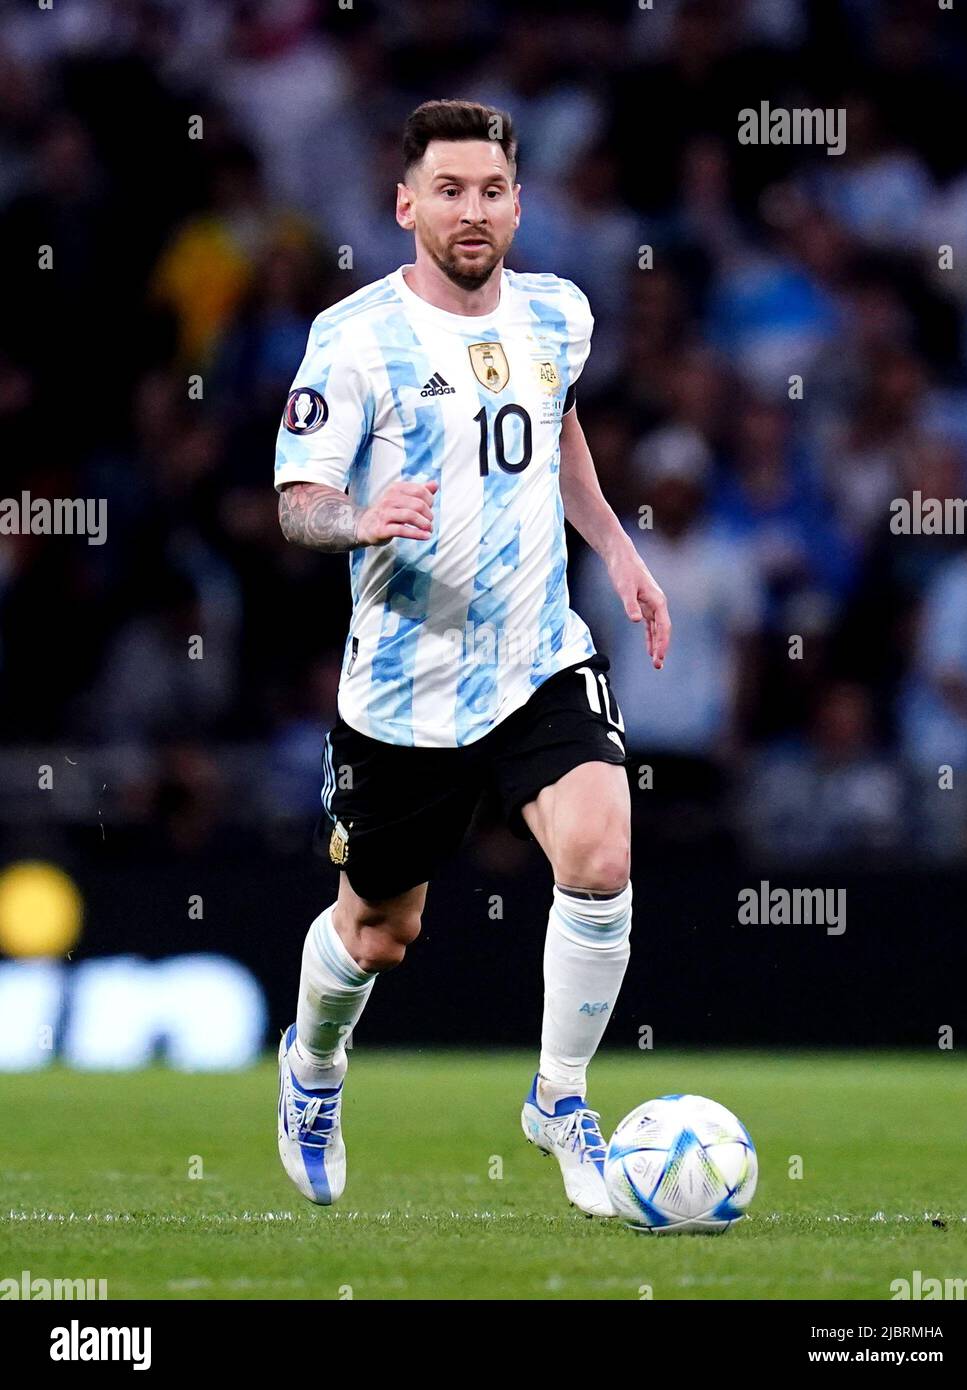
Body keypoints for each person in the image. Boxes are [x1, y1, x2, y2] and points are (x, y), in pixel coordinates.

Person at [272, 99, 670, 1218]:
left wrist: (618, 549)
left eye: (491, 190)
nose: (472, 210)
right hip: (404, 688)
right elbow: (298, 501)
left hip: (538, 655)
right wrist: (360, 519)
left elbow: (555, 423)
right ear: (407, 206)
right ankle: (312, 1068)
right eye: (448, 191)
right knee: (379, 933)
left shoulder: (559, 314)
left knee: (599, 853)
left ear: (517, 202)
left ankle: (559, 1096)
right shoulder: (352, 339)